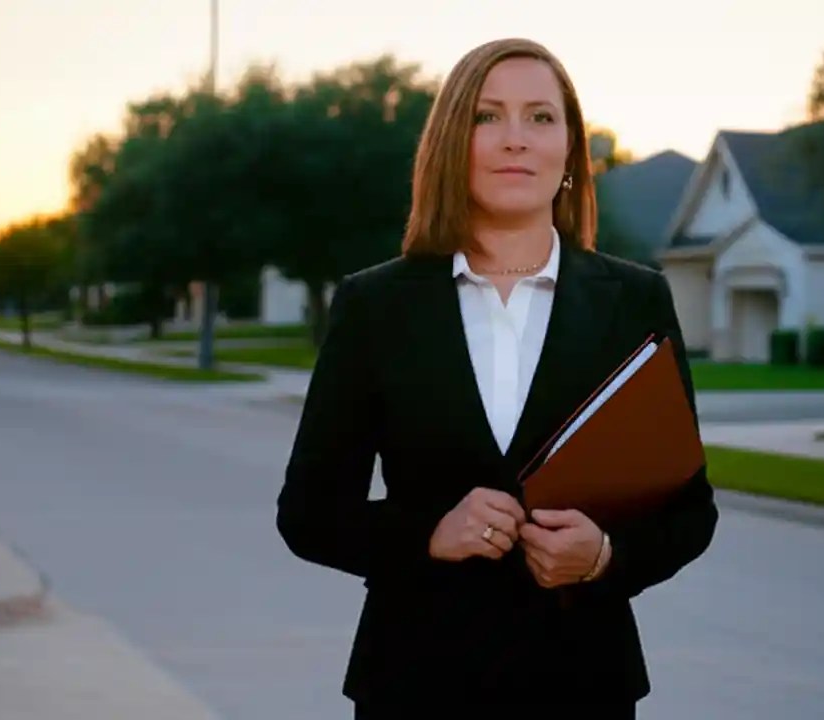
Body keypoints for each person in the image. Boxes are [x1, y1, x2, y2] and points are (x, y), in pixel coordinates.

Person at [276, 37, 718, 718]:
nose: (517, 139)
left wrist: (603, 555)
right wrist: (427, 533)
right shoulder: (376, 305)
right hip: (415, 686)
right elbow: (308, 515)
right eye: (489, 117)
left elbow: (690, 513)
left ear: (570, 151)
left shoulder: (635, 301)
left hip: (585, 686)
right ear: (454, 143)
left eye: (541, 118)